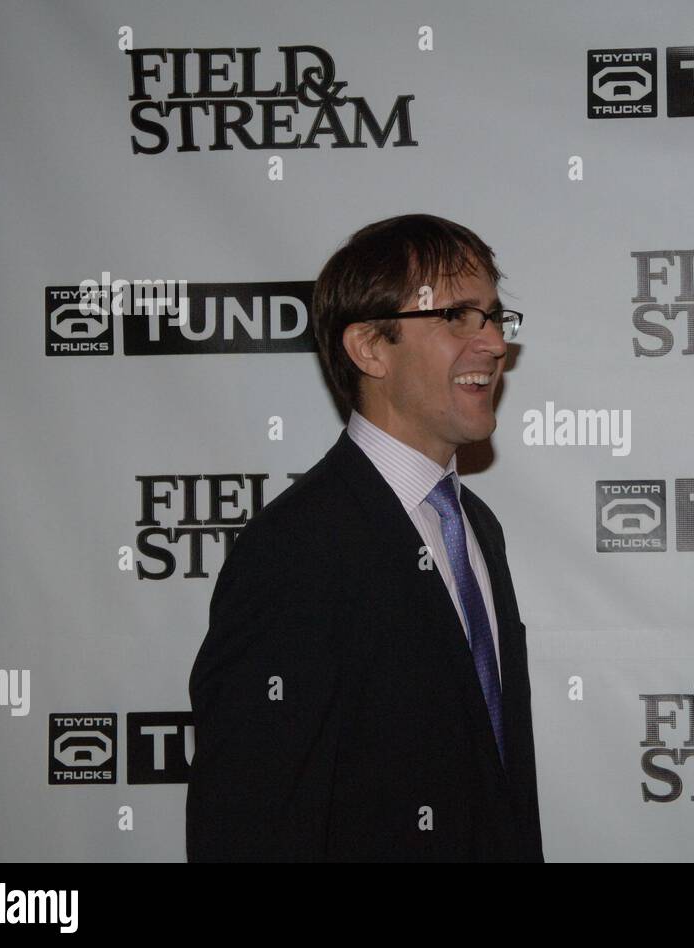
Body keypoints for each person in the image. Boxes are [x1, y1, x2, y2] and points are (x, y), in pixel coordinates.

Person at [186, 214, 543, 861]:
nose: (491, 342)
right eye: (457, 316)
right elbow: (247, 824)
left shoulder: (475, 526)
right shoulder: (294, 552)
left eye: (493, 316)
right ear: (370, 348)